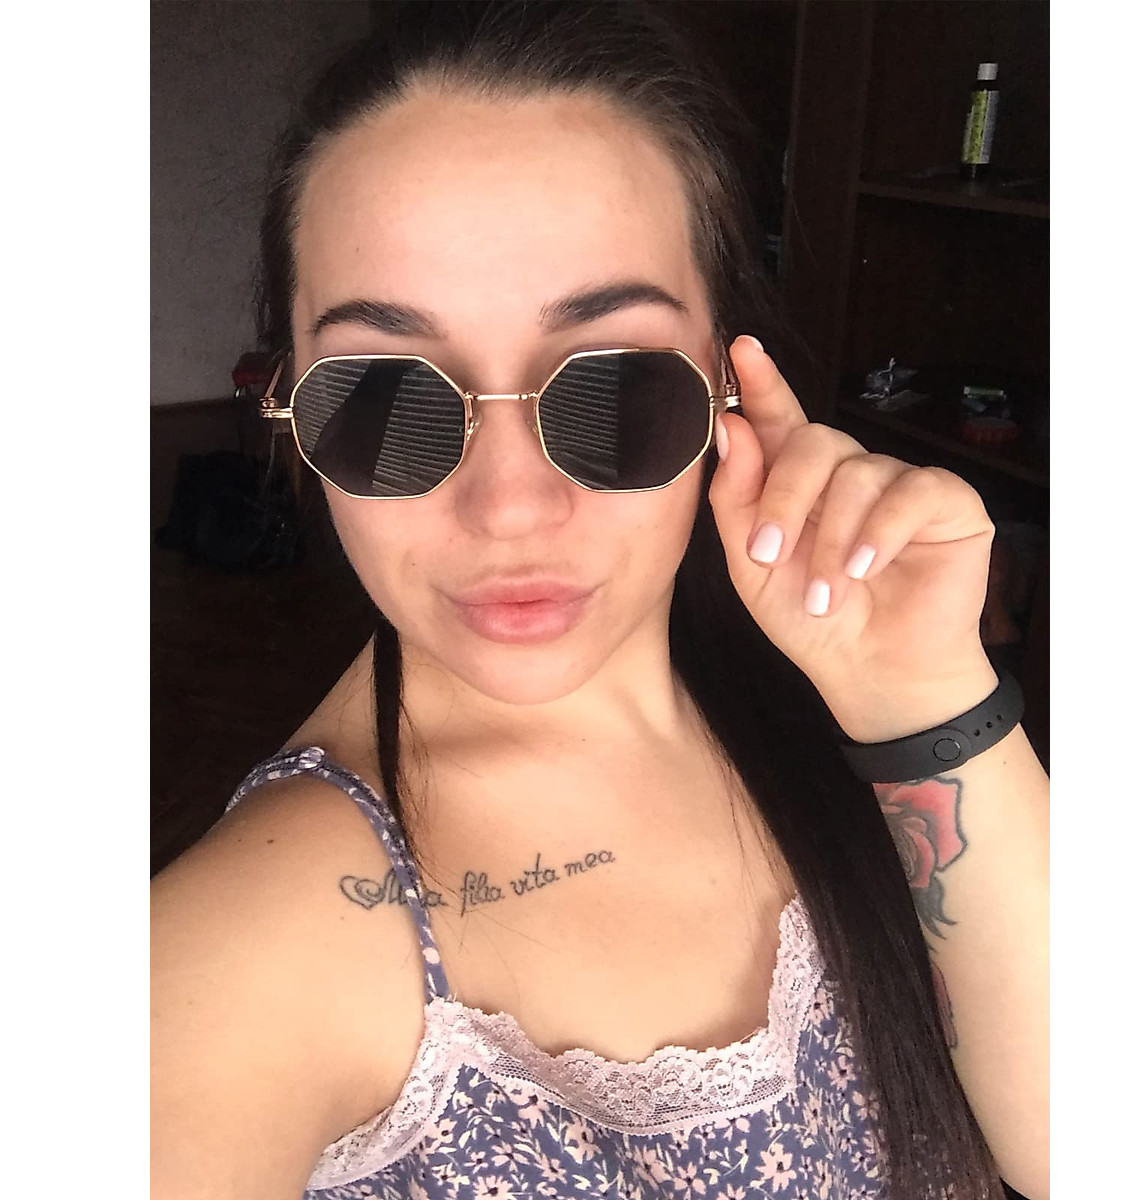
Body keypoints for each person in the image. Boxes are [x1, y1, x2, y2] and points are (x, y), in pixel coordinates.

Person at [151, 4, 1049, 1198]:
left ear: (729, 384)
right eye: (387, 398)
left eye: (613, 385)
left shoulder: (820, 691)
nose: (509, 509)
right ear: (292, 415)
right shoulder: (253, 945)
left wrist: (925, 701)